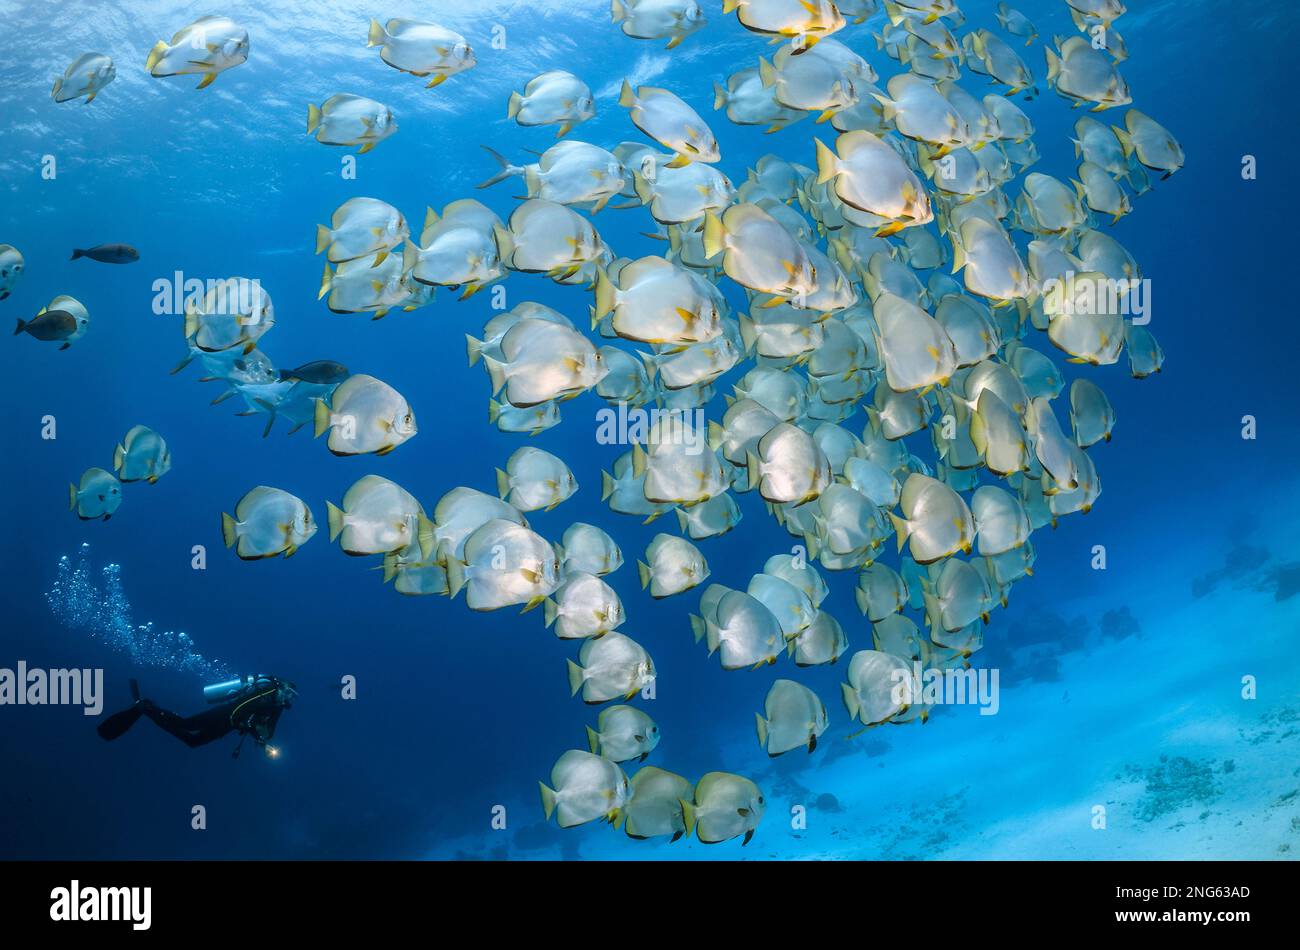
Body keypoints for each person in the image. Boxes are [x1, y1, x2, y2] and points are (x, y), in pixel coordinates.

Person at [97, 674, 297, 758]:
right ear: (282, 687)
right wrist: (248, 727)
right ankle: (147, 708)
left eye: (292, 696)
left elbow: (265, 728)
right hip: (224, 714)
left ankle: (147, 709)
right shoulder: (268, 691)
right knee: (187, 724)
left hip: (229, 725)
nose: (289, 698)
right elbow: (240, 708)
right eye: (289, 693)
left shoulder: (277, 705)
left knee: (192, 741)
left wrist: (263, 742)